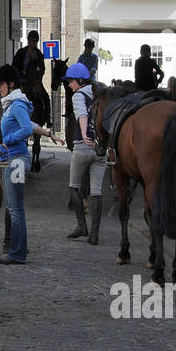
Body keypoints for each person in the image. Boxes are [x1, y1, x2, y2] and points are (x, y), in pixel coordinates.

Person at [0, 64, 55, 265]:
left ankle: (17, 253)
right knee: (15, 207)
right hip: (12, 160)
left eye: (1, 84)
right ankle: (18, 248)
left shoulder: (17, 104)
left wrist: (6, 140)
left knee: (15, 208)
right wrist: (47, 133)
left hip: (16, 161)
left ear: (11, 84)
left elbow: (26, 128)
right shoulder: (13, 103)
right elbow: (31, 126)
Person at [64, 62, 106, 244]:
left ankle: (82, 226)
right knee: (96, 191)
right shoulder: (100, 94)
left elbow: (82, 115)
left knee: (74, 186)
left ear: (80, 80)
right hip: (100, 149)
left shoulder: (78, 96)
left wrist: (84, 135)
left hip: (83, 146)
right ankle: (94, 234)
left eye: (71, 81)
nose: (69, 85)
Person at [12, 31, 50, 171]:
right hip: (22, 83)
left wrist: (38, 79)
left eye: (35, 40)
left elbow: (42, 69)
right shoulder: (21, 53)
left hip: (34, 82)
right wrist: (20, 78)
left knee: (45, 97)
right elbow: (14, 66)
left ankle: (47, 117)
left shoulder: (39, 54)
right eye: (31, 40)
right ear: (28, 40)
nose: (33, 42)